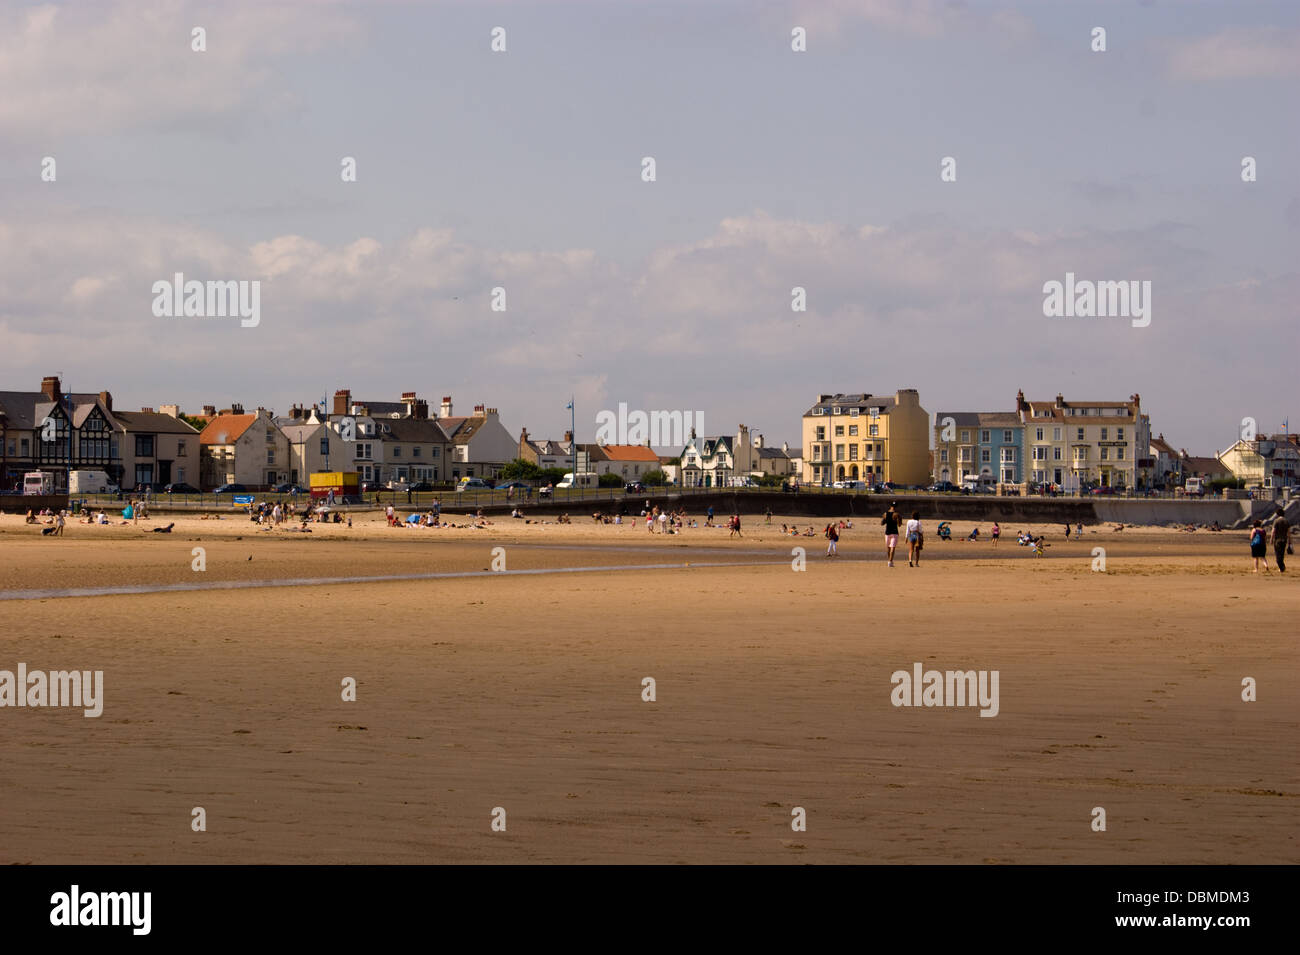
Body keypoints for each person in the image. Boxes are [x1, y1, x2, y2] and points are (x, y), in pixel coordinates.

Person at [1271, 507, 1290, 573]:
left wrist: (1271, 539)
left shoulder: (1276, 521)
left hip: (1277, 540)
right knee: (1281, 554)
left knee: (1278, 554)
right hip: (1284, 540)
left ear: (1277, 514)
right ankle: (1282, 567)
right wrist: (1290, 541)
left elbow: (1273, 531)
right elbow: (1288, 532)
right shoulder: (1286, 521)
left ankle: (1282, 567)